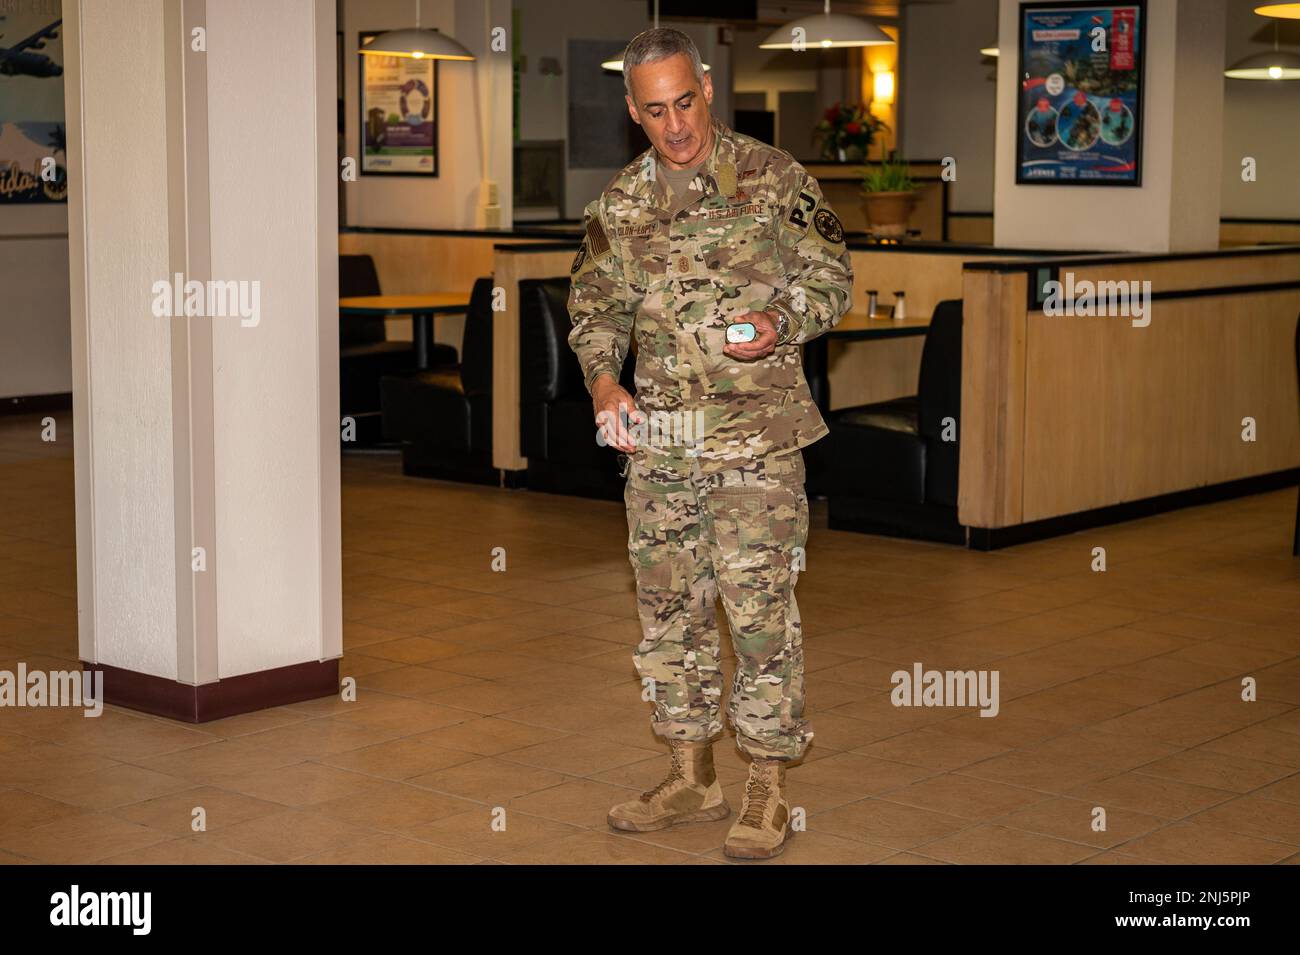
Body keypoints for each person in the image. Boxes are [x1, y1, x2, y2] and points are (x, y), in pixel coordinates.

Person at [566, 27, 853, 859]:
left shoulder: (774, 178)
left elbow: (832, 275)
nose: (676, 125)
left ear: (707, 89)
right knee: (668, 616)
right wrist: (603, 381)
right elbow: (594, 311)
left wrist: (783, 321)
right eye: (655, 111)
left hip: (756, 446)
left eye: (685, 102)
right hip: (659, 451)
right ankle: (692, 773)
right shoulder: (617, 207)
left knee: (758, 614)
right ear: (633, 112)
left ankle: (767, 784)